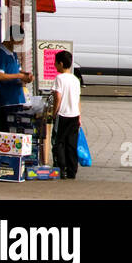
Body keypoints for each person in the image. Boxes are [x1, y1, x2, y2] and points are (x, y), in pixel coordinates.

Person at [0, 30, 33, 133]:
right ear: (10, 38)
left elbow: (17, 70)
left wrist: (25, 75)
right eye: (17, 41)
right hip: (7, 101)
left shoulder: (13, 54)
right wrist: (19, 76)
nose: (18, 44)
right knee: (7, 132)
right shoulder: (0, 53)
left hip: (17, 98)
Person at [52, 50, 81, 181]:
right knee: (71, 143)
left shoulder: (59, 78)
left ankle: (61, 168)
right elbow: (78, 99)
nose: (54, 65)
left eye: (56, 63)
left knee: (59, 143)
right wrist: (80, 116)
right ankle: (72, 170)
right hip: (75, 114)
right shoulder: (75, 79)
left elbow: (58, 96)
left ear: (61, 63)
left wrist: (54, 112)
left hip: (62, 114)